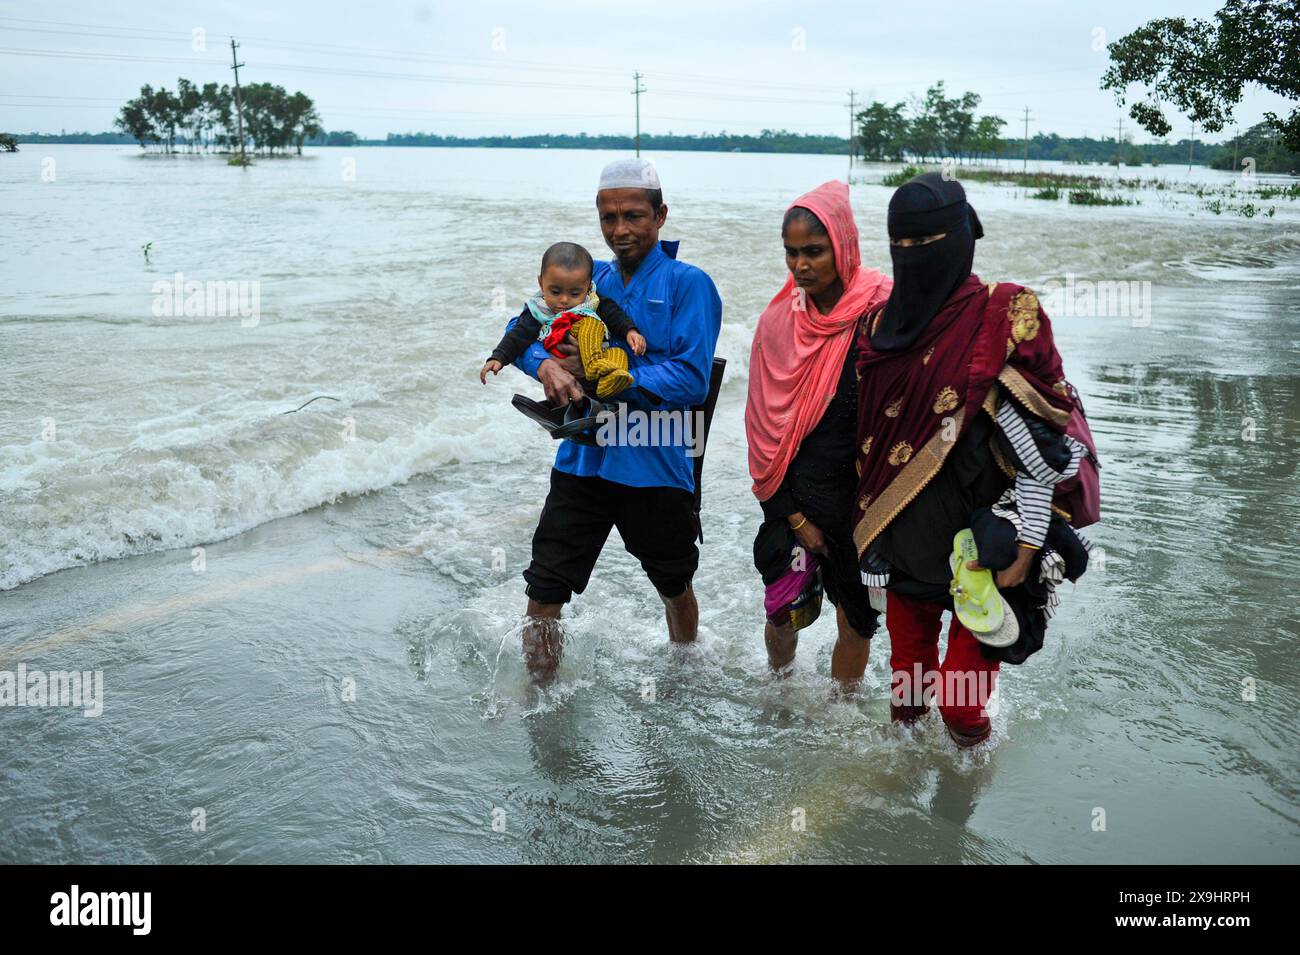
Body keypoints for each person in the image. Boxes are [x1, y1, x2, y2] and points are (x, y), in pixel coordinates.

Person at [853, 171, 1093, 747]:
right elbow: (863, 444)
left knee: (961, 709)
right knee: (907, 703)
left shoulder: (1006, 316)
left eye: (927, 244)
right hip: (905, 543)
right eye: (901, 245)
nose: (912, 257)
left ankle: (961, 811)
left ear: (963, 238)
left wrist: (1028, 546)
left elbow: (1045, 444)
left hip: (986, 548)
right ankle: (908, 825)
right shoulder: (874, 328)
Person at [503, 158, 723, 682]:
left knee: (672, 583)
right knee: (545, 588)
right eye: (608, 218)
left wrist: (609, 378)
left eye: (633, 216)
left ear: (660, 215)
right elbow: (521, 328)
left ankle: (683, 673)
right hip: (582, 458)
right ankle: (538, 700)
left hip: (655, 462)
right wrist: (549, 365)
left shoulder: (688, 284)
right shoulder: (586, 278)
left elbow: (692, 379)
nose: (620, 230)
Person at [744, 180, 892, 689]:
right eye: (791, 253)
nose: (801, 265)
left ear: (844, 246)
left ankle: (839, 716)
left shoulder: (881, 313)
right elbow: (763, 433)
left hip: (860, 504)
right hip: (795, 498)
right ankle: (778, 689)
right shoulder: (777, 323)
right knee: (783, 608)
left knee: (856, 617)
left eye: (813, 251)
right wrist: (794, 515)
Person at [480, 241, 646, 398]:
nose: (564, 300)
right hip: (564, 364)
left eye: (574, 293)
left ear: (588, 287)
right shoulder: (539, 309)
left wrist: (630, 331)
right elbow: (518, 334)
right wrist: (498, 357)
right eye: (555, 292)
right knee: (590, 323)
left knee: (618, 353)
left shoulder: (592, 301)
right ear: (541, 283)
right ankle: (591, 379)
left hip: (596, 363)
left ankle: (609, 387)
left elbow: (613, 314)